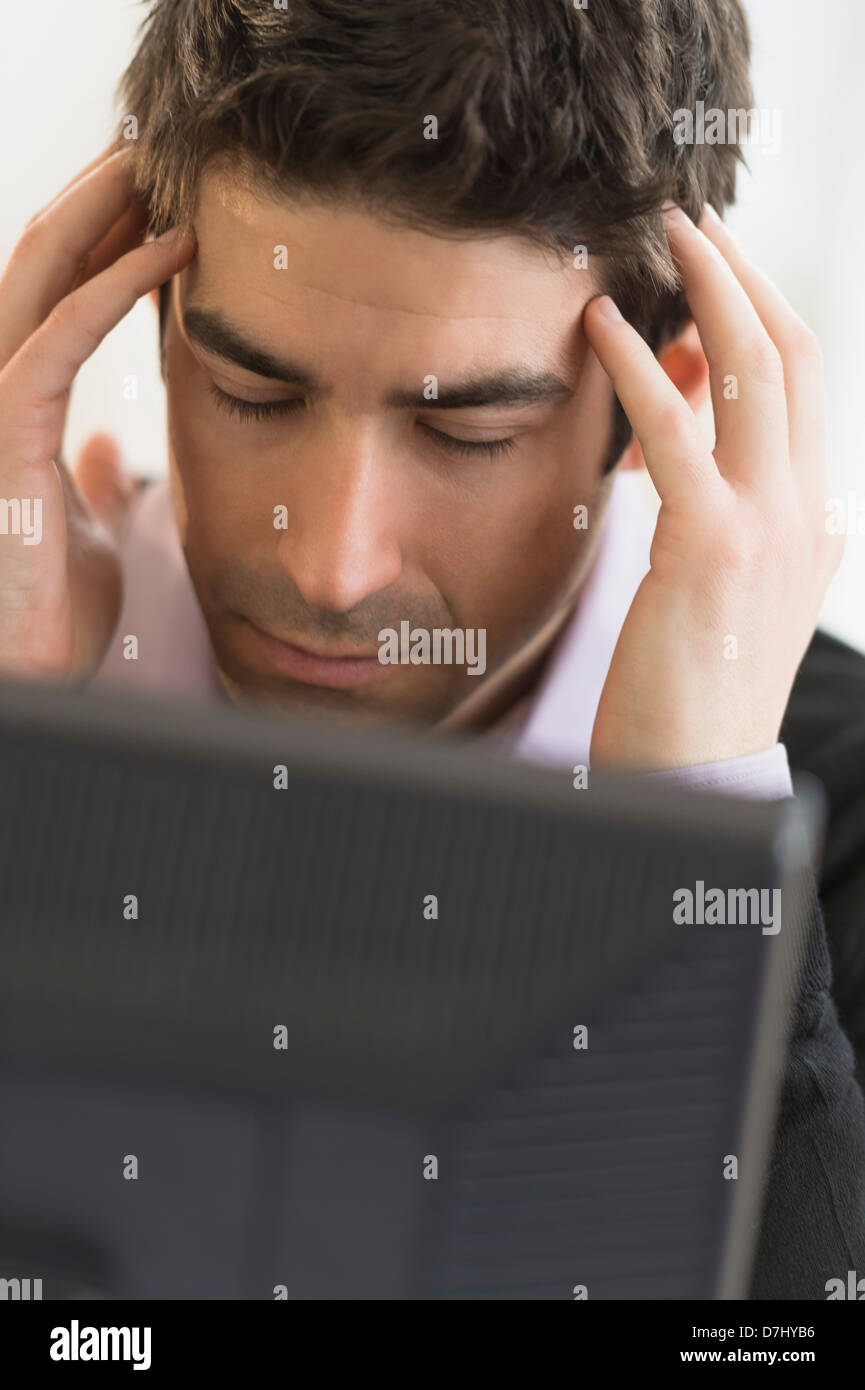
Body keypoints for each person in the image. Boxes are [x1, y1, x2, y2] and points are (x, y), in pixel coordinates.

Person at [0, 0, 863, 1298]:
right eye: (254, 394)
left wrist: (695, 852)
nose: (329, 564)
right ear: (150, 324)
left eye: (465, 434)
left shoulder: (840, 808)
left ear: (659, 411)